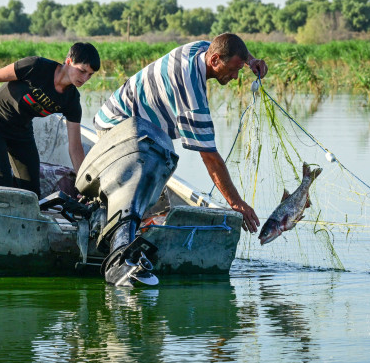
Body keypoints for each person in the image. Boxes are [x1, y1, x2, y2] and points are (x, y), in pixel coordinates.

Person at [91, 33, 267, 233]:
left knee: (158, 184)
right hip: (117, 127)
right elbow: (211, 158)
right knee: (144, 200)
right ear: (215, 60)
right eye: (234, 69)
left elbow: (227, 44)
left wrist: (251, 61)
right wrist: (236, 203)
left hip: (140, 128)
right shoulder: (191, 93)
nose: (235, 76)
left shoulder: (200, 48)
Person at [0, 42, 100, 197]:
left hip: (21, 132)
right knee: (3, 186)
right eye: (82, 71)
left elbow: (75, 147)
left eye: (90, 74)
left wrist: (82, 186)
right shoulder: (36, 66)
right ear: (68, 62)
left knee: (32, 193)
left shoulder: (71, 100)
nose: (85, 78)